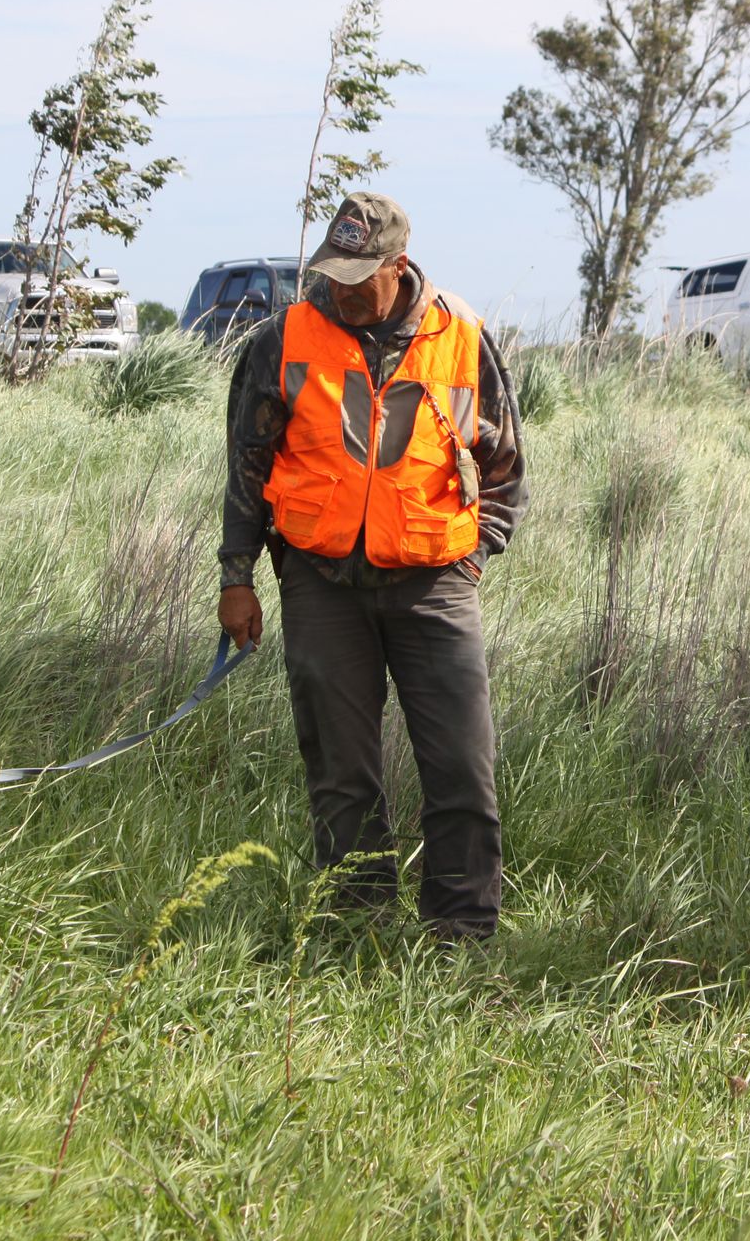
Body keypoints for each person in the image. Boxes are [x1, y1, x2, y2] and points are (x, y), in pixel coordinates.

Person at [217, 193, 527, 941]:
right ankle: (356, 925)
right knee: (341, 775)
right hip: (320, 584)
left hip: (435, 581)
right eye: (333, 271)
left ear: (399, 264)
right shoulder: (282, 338)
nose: (342, 289)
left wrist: (472, 556)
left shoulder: (462, 336)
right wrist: (238, 576)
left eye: (359, 274)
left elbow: (506, 463)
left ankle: (462, 930)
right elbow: (246, 465)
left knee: (460, 764)